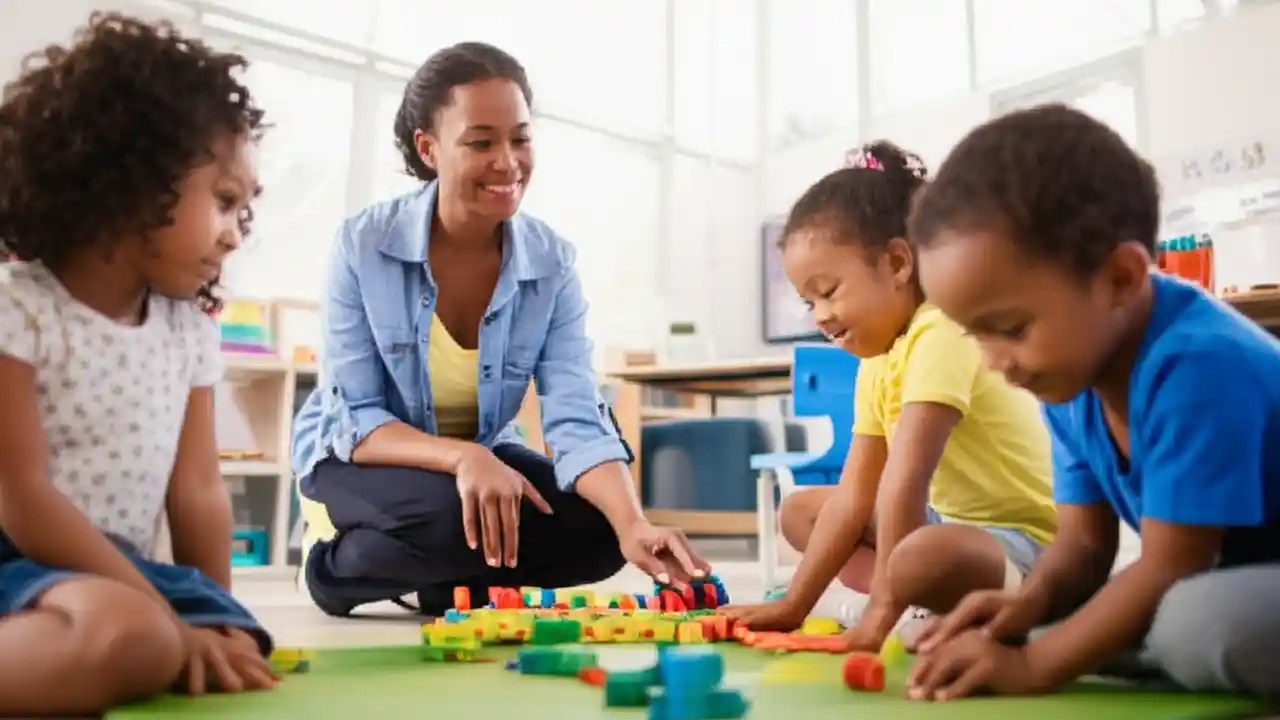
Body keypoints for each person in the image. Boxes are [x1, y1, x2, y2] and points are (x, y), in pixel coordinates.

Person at [291, 41, 710, 618]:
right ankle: (327, 568)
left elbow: (575, 415)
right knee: (447, 515)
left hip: (485, 457)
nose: (508, 162)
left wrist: (632, 523)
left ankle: (442, 583)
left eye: (520, 138)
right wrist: (463, 458)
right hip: (357, 457)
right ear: (429, 148)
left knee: (596, 530)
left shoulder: (552, 263)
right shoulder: (363, 246)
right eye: (480, 142)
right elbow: (356, 418)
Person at [905, 104, 1280, 702]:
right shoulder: (1069, 380)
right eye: (975, 335)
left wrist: (1034, 666)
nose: (994, 362)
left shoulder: (1199, 362)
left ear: (1121, 279)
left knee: (1197, 623)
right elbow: (1081, 545)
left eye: (1009, 327)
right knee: (1117, 617)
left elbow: (1171, 565)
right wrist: (1028, 607)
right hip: (1229, 577)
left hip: (1215, 586)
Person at [0, 13, 276, 716]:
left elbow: (199, 491)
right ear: (132, 180)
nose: (233, 234)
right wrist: (164, 619)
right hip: (14, 558)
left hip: (111, 570)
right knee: (137, 634)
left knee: (213, 635)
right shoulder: (20, 309)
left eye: (242, 211)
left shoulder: (187, 331)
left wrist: (217, 616)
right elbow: (21, 498)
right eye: (222, 202)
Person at [720, 142, 1058, 653]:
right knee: (802, 512)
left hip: (1025, 544)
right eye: (808, 301)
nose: (820, 316)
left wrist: (873, 626)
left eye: (829, 291)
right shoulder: (876, 359)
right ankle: (914, 601)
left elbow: (905, 480)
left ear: (898, 262)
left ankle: (913, 604)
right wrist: (793, 607)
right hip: (949, 524)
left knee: (923, 556)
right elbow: (856, 495)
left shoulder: (943, 328)